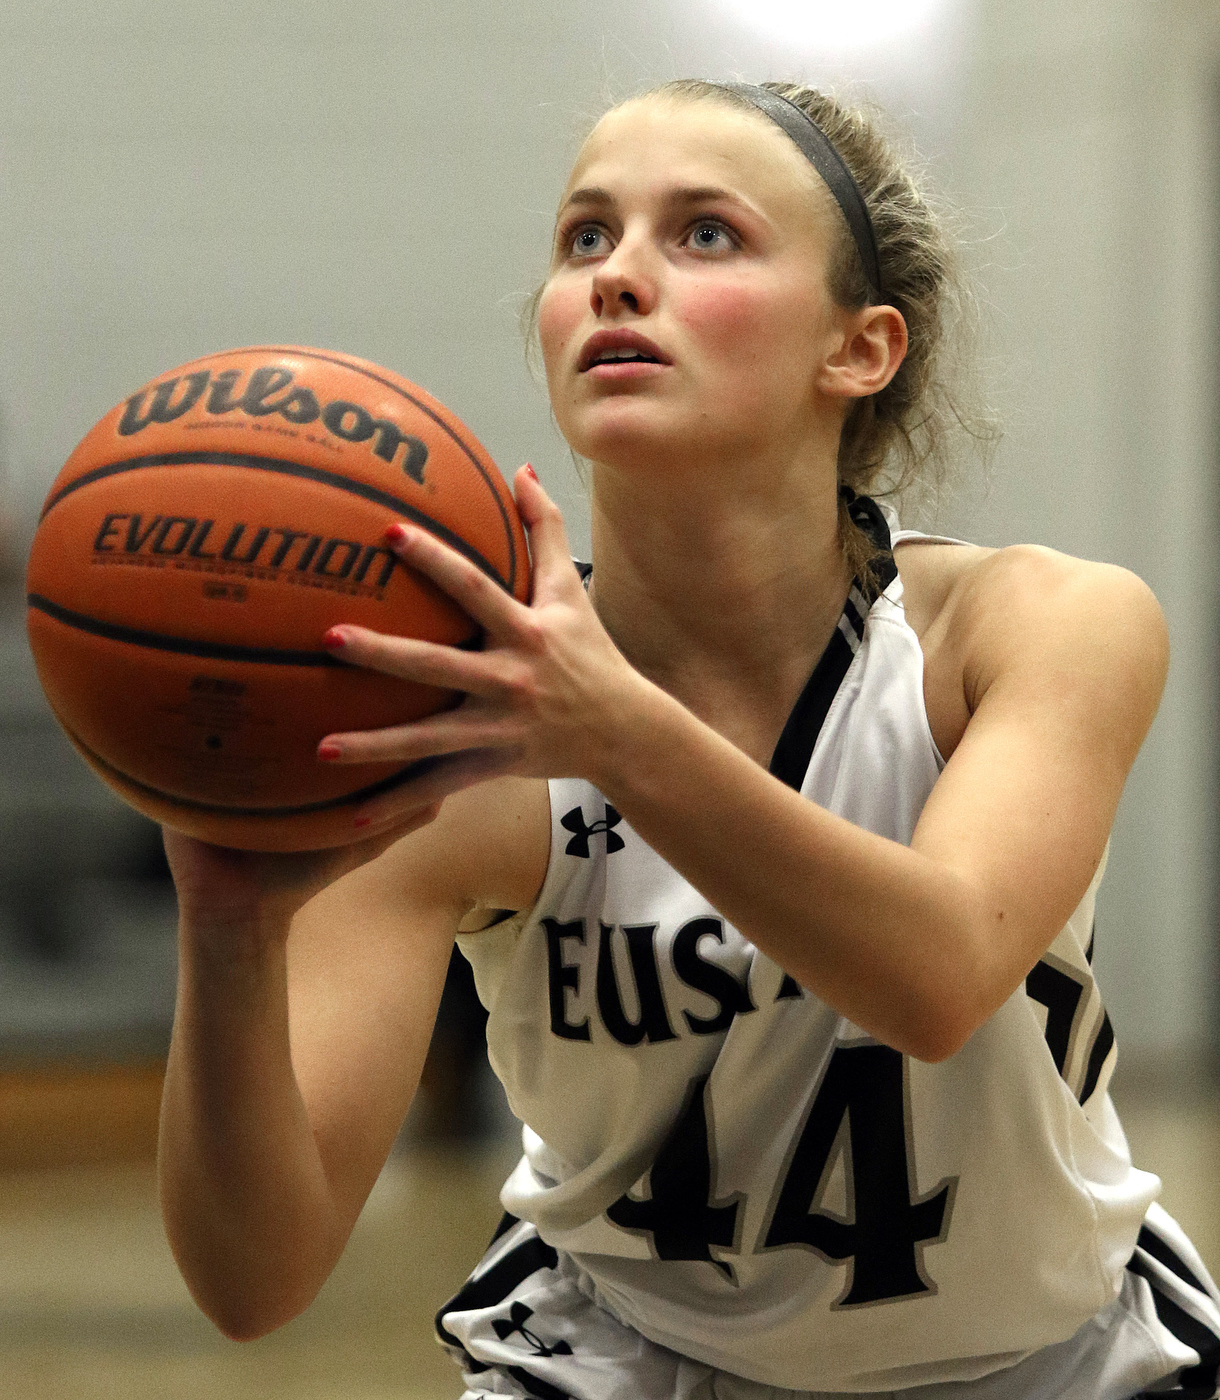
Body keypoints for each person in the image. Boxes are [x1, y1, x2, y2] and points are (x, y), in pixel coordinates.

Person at [156, 80, 1220, 1400]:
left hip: (1053, 1363)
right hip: (627, 1364)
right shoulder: (456, 743)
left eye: (704, 233)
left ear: (861, 347)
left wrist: (614, 731)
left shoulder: (1038, 626)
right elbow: (255, 1282)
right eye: (585, 237)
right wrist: (227, 930)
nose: (619, 277)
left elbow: (940, 976)